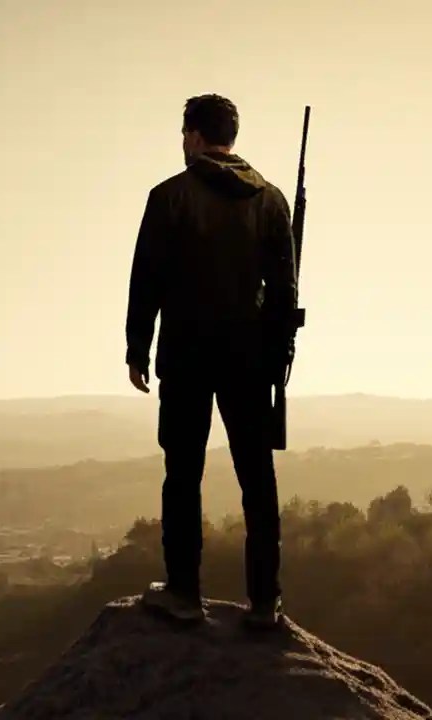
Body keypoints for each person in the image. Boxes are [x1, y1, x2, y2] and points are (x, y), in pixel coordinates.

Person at [124, 94, 297, 629]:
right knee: (257, 478)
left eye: (184, 134)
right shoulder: (271, 201)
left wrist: (137, 348)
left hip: (186, 352)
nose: (182, 144)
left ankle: (183, 594)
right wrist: (279, 357)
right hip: (249, 359)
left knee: (183, 474)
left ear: (195, 136)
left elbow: (146, 280)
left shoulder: (169, 197)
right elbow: (286, 294)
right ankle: (264, 603)